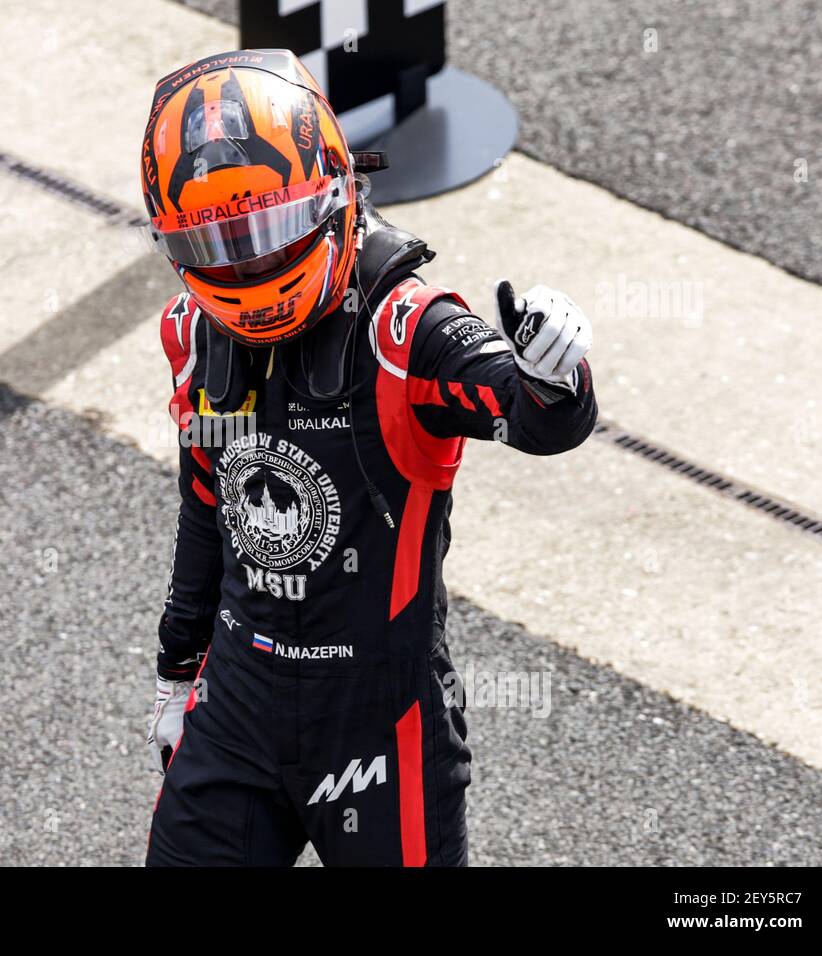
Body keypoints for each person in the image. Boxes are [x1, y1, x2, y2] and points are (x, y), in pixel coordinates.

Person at [141, 49, 597, 866]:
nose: (247, 264)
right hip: (239, 706)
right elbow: (207, 509)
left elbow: (532, 420)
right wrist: (179, 670)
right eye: (220, 244)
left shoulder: (406, 328)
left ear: (336, 189)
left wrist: (556, 376)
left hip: (385, 728)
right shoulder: (188, 334)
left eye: (268, 233)